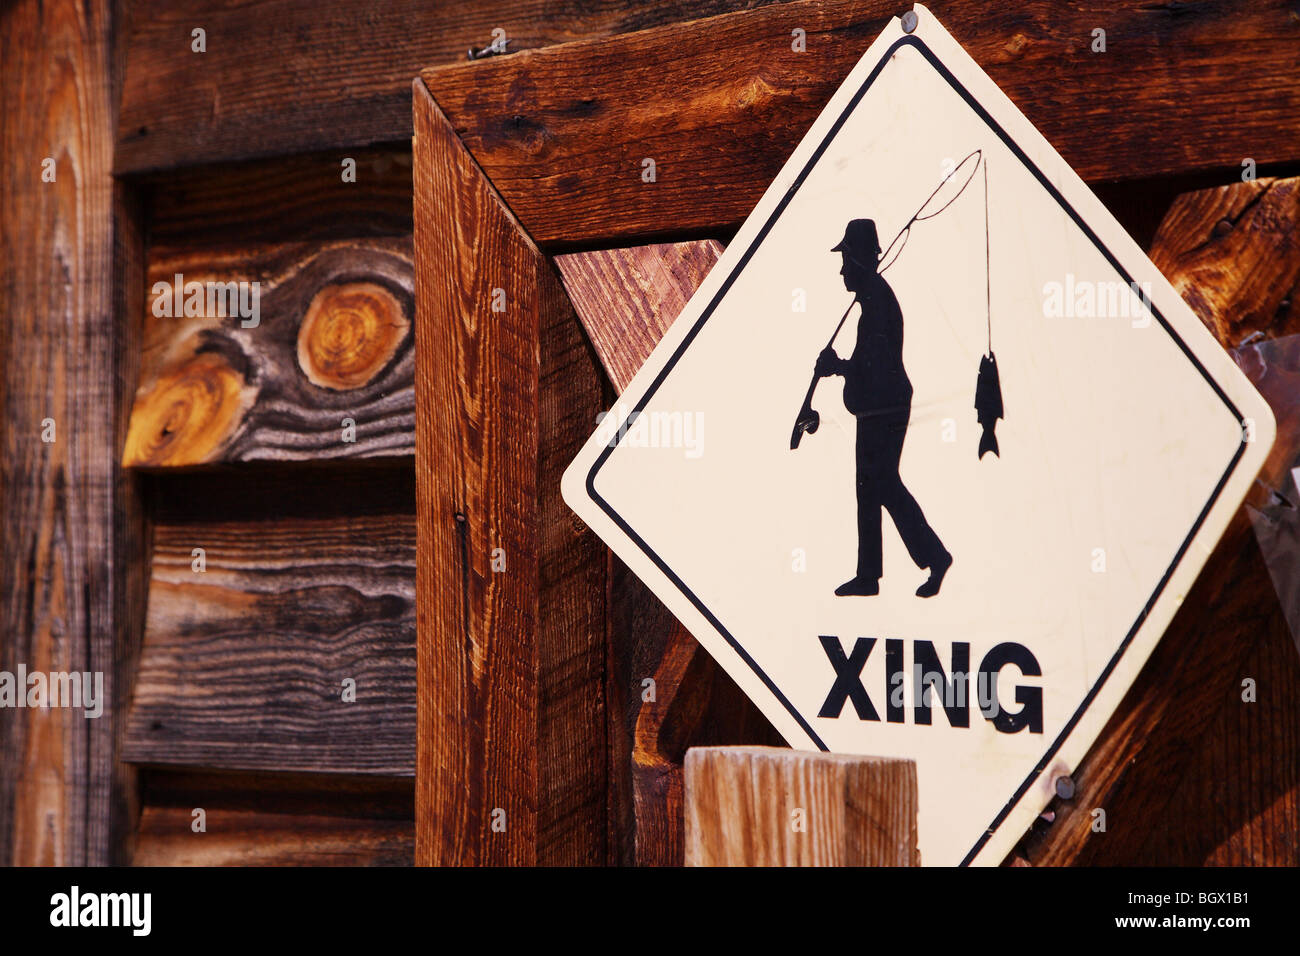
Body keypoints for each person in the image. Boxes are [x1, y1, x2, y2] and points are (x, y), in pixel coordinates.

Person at [815, 219, 952, 597]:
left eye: (845, 260)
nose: (841, 270)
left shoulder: (876, 304)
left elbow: (871, 366)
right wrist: (841, 367)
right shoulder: (872, 301)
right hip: (879, 407)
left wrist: (836, 367)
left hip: (884, 408)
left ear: (859, 261)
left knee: (882, 485)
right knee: (872, 486)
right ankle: (871, 575)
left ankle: (930, 558)